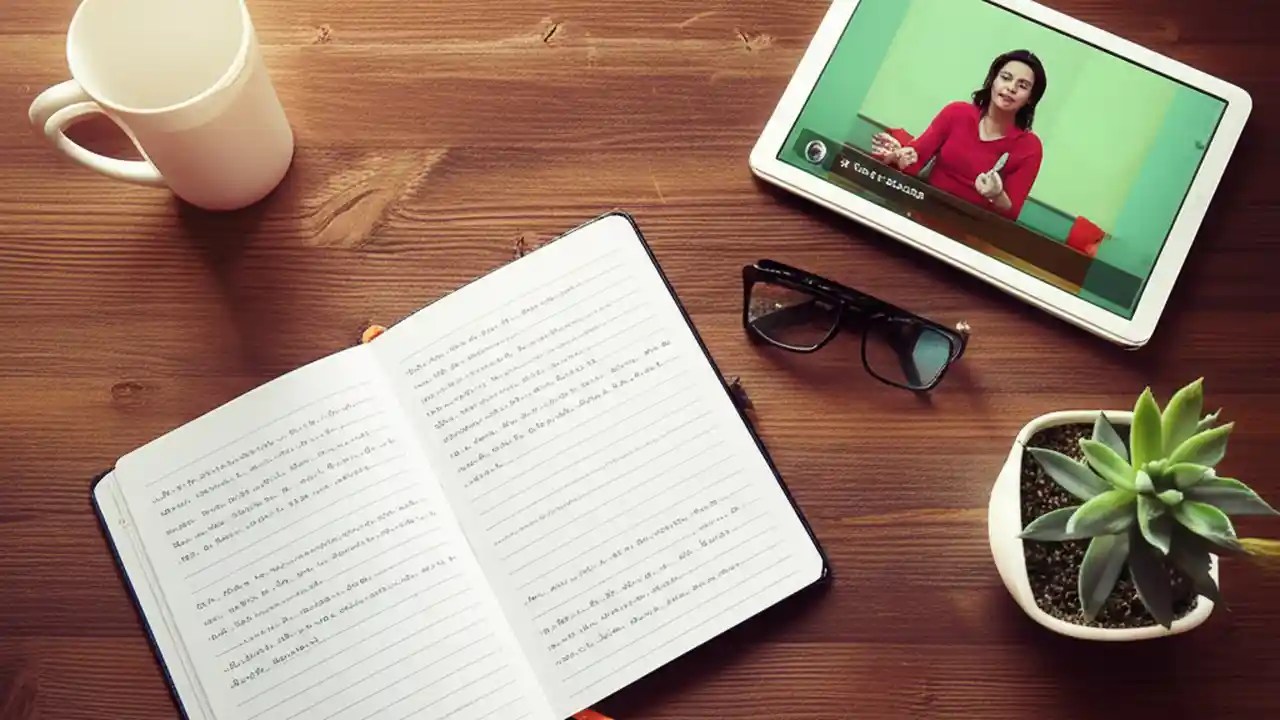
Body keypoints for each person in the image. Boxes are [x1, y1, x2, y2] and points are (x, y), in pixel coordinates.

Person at [872, 50, 1047, 220]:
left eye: (1022, 85)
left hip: (973, 229)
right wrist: (899, 157)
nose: (1011, 88)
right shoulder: (957, 113)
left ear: (1031, 98)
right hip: (924, 208)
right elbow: (915, 160)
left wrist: (997, 195)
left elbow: (1011, 214)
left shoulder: (1030, 147)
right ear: (993, 79)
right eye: (1005, 78)